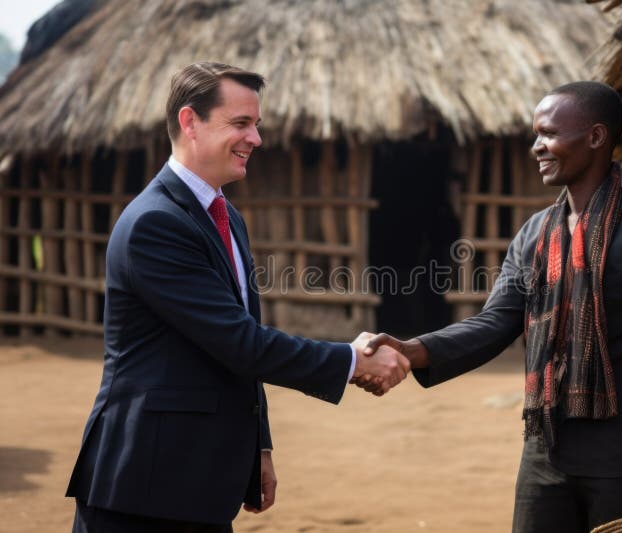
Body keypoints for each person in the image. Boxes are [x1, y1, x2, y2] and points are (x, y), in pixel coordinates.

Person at [66, 62, 410, 533]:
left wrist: (258, 447)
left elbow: (235, 342)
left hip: (197, 481)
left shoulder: (224, 215)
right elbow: (240, 343)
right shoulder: (156, 224)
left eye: (257, 125)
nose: (257, 139)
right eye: (241, 123)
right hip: (144, 486)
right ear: (190, 123)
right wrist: (352, 360)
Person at [358, 82, 622, 533]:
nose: (536, 146)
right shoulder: (535, 234)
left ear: (596, 137)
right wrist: (412, 349)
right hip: (544, 456)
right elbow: (496, 323)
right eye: (535, 134)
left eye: (549, 134)